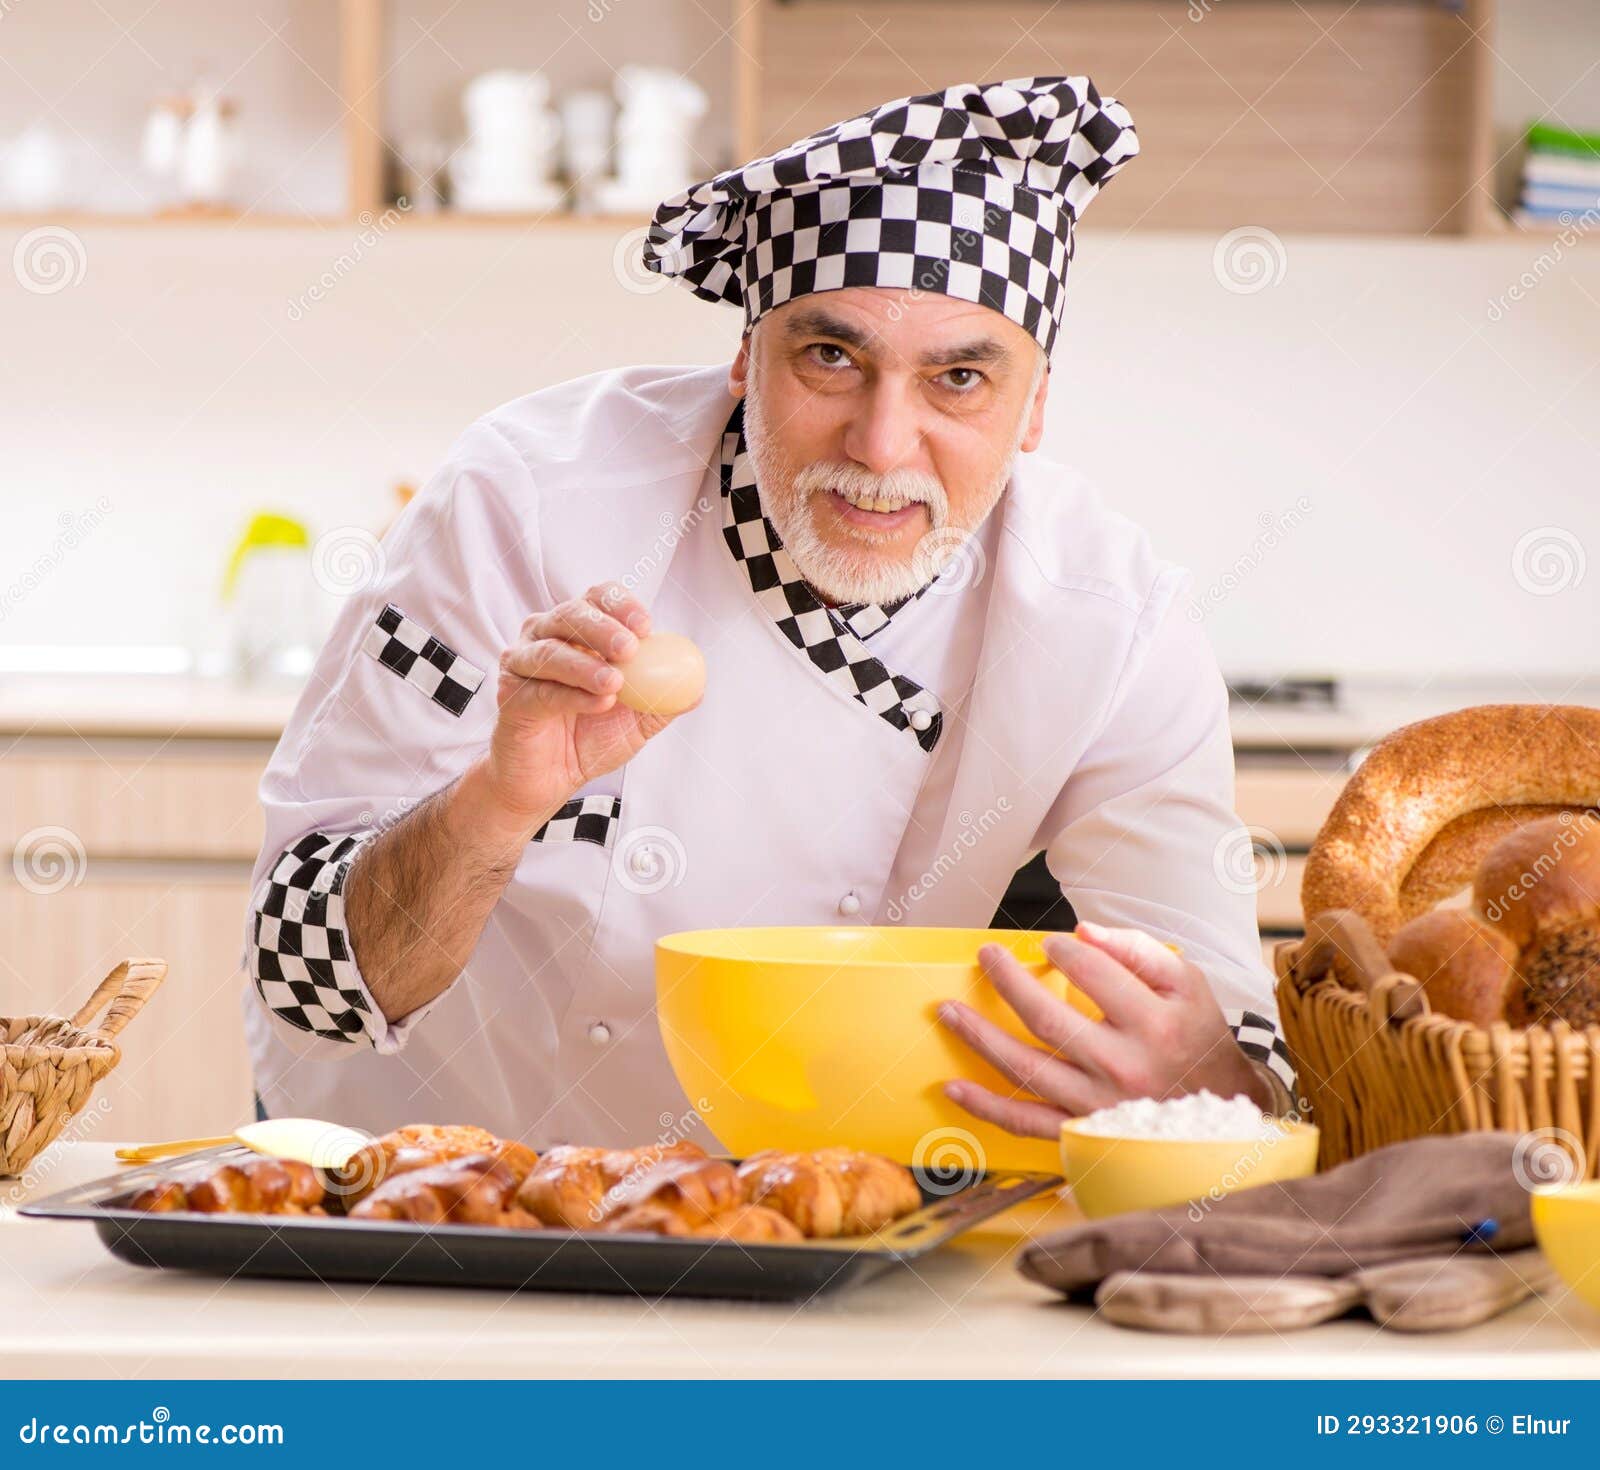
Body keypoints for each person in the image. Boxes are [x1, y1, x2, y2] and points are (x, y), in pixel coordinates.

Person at [242, 76, 1294, 1143]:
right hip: (429, 1190)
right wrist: (497, 805)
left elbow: (1228, 1049)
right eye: (831, 358)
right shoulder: (529, 498)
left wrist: (1206, 1073)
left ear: (1035, 407)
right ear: (746, 358)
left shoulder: (1105, 627)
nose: (882, 446)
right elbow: (304, 982)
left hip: (793, 1204)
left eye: (959, 379)